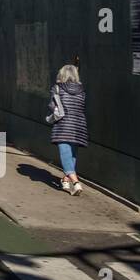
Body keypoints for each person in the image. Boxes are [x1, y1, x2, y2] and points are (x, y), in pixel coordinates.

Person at [47, 64, 88, 195]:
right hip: (78, 127)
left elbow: (53, 107)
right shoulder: (82, 90)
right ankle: (65, 180)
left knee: (65, 155)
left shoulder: (57, 88)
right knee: (72, 156)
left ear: (61, 74)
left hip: (63, 127)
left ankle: (76, 183)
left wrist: (49, 118)